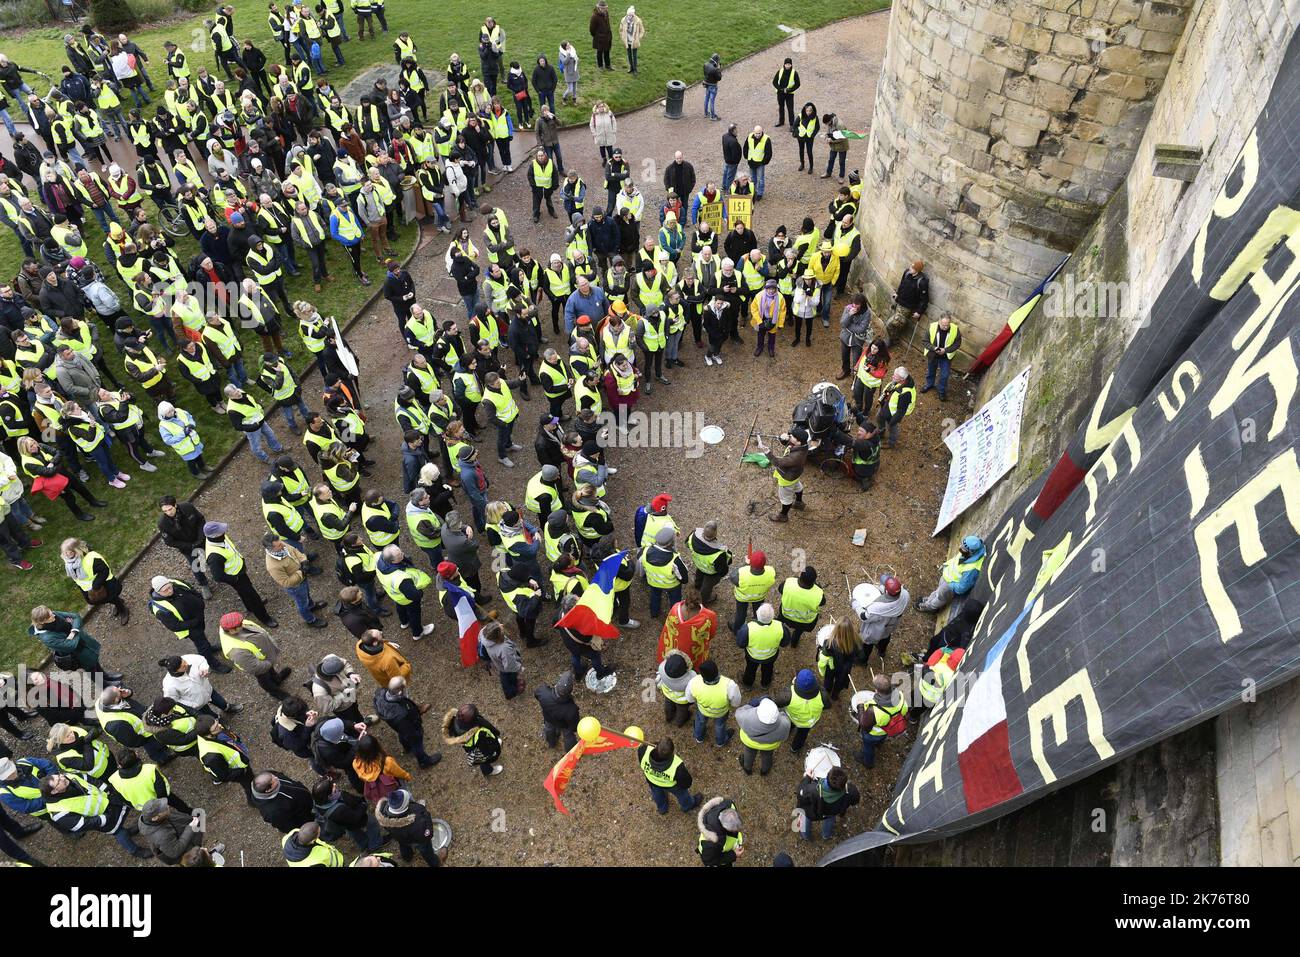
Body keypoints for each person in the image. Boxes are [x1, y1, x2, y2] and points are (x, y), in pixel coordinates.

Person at [40, 772, 150, 858]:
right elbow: (79, 825)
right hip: (102, 818)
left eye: (59, 776)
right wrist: (102, 820)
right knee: (118, 831)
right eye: (58, 781)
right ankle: (135, 851)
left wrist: (107, 789)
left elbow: (90, 780)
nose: (63, 778)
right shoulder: (57, 811)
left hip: (107, 801)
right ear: (54, 792)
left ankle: (128, 832)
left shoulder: (68, 776)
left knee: (122, 820)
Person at [205, 522, 278, 626]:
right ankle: (264, 618)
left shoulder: (218, 539)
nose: (225, 531)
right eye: (222, 531)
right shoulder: (214, 556)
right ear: (216, 535)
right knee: (253, 597)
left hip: (239, 571)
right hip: (236, 577)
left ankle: (249, 607)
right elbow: (218, 576)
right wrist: (235, 579)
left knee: (245, 593)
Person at [373, 675, 443, 769]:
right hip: (409, 727)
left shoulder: (380, 693)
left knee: (402, 735)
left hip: (397, 726)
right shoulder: (402, 713)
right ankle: (423, 761)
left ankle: (407, 747)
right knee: (416, 743)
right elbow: (410, 730)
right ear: (399, 692)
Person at [219, 611, 292, 700]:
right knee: (265, 680)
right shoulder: (236, 651)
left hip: (265, 658)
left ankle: (277, 679)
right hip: (261, 665)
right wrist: (269, 663)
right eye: (240, 624)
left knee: (270, 671)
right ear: (232, 630)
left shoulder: (236, 626)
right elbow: (255, 667)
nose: (243, 624)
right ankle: (276, 692)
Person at [264, 533, 328, 629]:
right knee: (302, 603)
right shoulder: (273, 566)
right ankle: (310, 620)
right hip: (295, 587)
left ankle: (312, 606)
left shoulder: (282, 545)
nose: (283, 545)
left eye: (281, 542)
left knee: (306, 594)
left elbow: (295, 551)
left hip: (302, 577)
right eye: (279, 545)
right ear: (271, 549)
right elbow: (285, 582)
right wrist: (301, 572)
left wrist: (304, 561)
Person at [376, 789, 446, 866]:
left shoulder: (382, 814)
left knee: (403, 844)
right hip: (418, 839)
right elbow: (427, 835)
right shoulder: (417, 820)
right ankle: (435, 863)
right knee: (425, 850)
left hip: (400, 837)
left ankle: (407, 857)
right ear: (404, 805)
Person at [855, 674, 908, 769]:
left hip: (873, 734)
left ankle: (868, 762)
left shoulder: (874, 710)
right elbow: (904, 711)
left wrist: (860, 706)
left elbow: (864, 724)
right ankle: (879, 744)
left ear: (877, 690)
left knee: (868, 747)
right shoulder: (900, 695)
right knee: (881, 738)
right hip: (887, 730)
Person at [160, 652, 239, 716]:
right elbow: (173, 701)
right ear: (175, 671)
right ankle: (217, 720)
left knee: (221, 701)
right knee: (209, 715)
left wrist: (203, 668)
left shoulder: (187, 658)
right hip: (198, 705)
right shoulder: (169, 685)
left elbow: (201, 659)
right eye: (183, 667)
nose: (186, 664)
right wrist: (193, 705)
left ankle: (227, 708)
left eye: (184, 661)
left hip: (207, 689)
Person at [796, 765, 859, 842]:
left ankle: (806, 836)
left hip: (812, 813)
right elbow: (855, 801)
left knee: (805, 817)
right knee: (830, 819)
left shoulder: (812, 790)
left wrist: (807, 778)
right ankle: (826, 835)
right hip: (832, 812)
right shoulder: (851, 791)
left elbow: (800, 792)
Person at [859, 575, 910, 665]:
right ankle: (881, 652)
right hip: (890, 626)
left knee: (868, 644)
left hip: (875, 631)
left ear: (886, 591)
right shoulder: (905, 594)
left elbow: (864, 617)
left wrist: (855, 604)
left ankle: (862, 661)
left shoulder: (878, 607)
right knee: (885, 637)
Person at [442, 703, 503, 776]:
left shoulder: (454, 721)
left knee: (480, 756)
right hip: (484, 746)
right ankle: (488, 771)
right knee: (484, 759)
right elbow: (489, 729)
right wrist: (493, 749)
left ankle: (487, 766)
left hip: (470, 746)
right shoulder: (479, 730)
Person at [735, 696, 790, 776]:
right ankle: (765, 770)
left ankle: (747, 768)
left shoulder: (747, 717)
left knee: (749, 753)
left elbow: (738, 713)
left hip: (750, 742)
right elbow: (784, 737)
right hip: (769, 746)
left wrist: (751, 705)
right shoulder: (784, 724)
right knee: (767, 755)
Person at [737, 602, 787, 689]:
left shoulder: (748, 628)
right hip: (770, 656)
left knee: (750, 669)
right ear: (773, 615)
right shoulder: (780, 627)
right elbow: (784, 643)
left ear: (757, 614)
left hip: (752, 656)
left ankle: (747, 684)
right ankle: (765, 684)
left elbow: (740, 643)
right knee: (768, 669)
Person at [784, 668, 829, 753]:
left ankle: (785, 736)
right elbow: (827, 706)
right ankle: (795, 748)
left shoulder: (789, 694)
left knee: (789, 726)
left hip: (792, 717)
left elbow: (779, 702)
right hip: (808, 723)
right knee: (801, 735)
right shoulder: (823, 695)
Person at [534, 671, 580, 750]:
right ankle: (571, 752)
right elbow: (574, 726)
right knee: (568, 736)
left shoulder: (543, 692)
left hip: (548, 718)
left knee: (549, 730)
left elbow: (536, 695)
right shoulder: (571, 709)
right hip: (564, 725)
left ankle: (551, 743)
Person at [922, 313, 962, 401]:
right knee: (931, 371)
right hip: (933, 355)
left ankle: (941, 391)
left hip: (946, 357)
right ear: (939, 322)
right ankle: (929, 384)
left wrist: (946, 350)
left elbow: (957, 344)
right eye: (943, 325)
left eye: (947, 325)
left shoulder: (955, 329)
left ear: (950, 323)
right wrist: (934, 348)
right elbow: (925, 341)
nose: (945, 327)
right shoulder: (932, 327)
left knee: (944, 375)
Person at [875, 366, 917, 449]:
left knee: (892, 429)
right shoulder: (899, 382)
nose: (892, 377)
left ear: (902, 380)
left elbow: (900, 412)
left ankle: (891, 443)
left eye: (895, 376)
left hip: (892, 414)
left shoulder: (906, 394)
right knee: (879, 417)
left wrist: (892, 422)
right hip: (886, 406)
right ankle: (881, 432)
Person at [696, 796, 742, 866]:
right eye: (733, 830)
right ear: (724, 827)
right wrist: (733, 855)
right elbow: (709, 861)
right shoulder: (710, 844)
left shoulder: (728, 804)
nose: (736, 832)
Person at [890, 260, 929, 335]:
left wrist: (919, 311)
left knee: (891, 324)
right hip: (898, 301)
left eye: (912, 268)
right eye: (911, 266)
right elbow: (901, 284)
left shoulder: (922, 282)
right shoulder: (907, 273)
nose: (910, 268)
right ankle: (893, 338)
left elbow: (925, 299)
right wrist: (897, 293)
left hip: (906, 307)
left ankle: (891, 340)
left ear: (917, 270)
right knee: (895, 324)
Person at [772, 57, 800, 127]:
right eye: (786, 64)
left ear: (791, 65)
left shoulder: (794, 73)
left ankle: (792, 125)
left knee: (790, 109)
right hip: (780, 93)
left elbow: (798, 84)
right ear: (784, 64)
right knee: (781, 107)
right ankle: (781, 121)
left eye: (789, 64)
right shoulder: (780, 71)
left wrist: (789, 90)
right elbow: (774, 82)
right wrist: (780, 89)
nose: (787, 66)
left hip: (789, 94)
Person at [619, 6, 645, 74]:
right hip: (627, 41)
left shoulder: (638, 21)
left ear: (633, 14)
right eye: (628, 15)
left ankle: (635, 69)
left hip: (634, 41)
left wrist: (638, 38)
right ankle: (631, 68)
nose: (630, 16)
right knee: (629, 54)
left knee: (634, 55)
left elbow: (642, 31)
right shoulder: (623, 20)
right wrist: (623, 37)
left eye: (631, 15)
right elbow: (621, 30)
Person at [590, 2, 614, 71]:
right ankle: (600, 66)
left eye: (605, 8)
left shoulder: (606, 13)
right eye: (602, 8)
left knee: (607, 52)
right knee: (599, 52)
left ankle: (608, 65)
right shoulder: (594, 16)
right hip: (599, 38)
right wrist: (597, 35)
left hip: (607, 37)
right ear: (598, 7)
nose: (604, 9)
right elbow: (592, 29)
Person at [702, 54, 722, 121]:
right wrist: (718, 69)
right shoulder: (715, 69)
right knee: (712, 101)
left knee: (706, 99)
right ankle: (713, 116)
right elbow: (719, 78)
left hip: (707, 84)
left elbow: (705, 74)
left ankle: (706, 113)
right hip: (713, 86)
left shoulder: (705, 65)